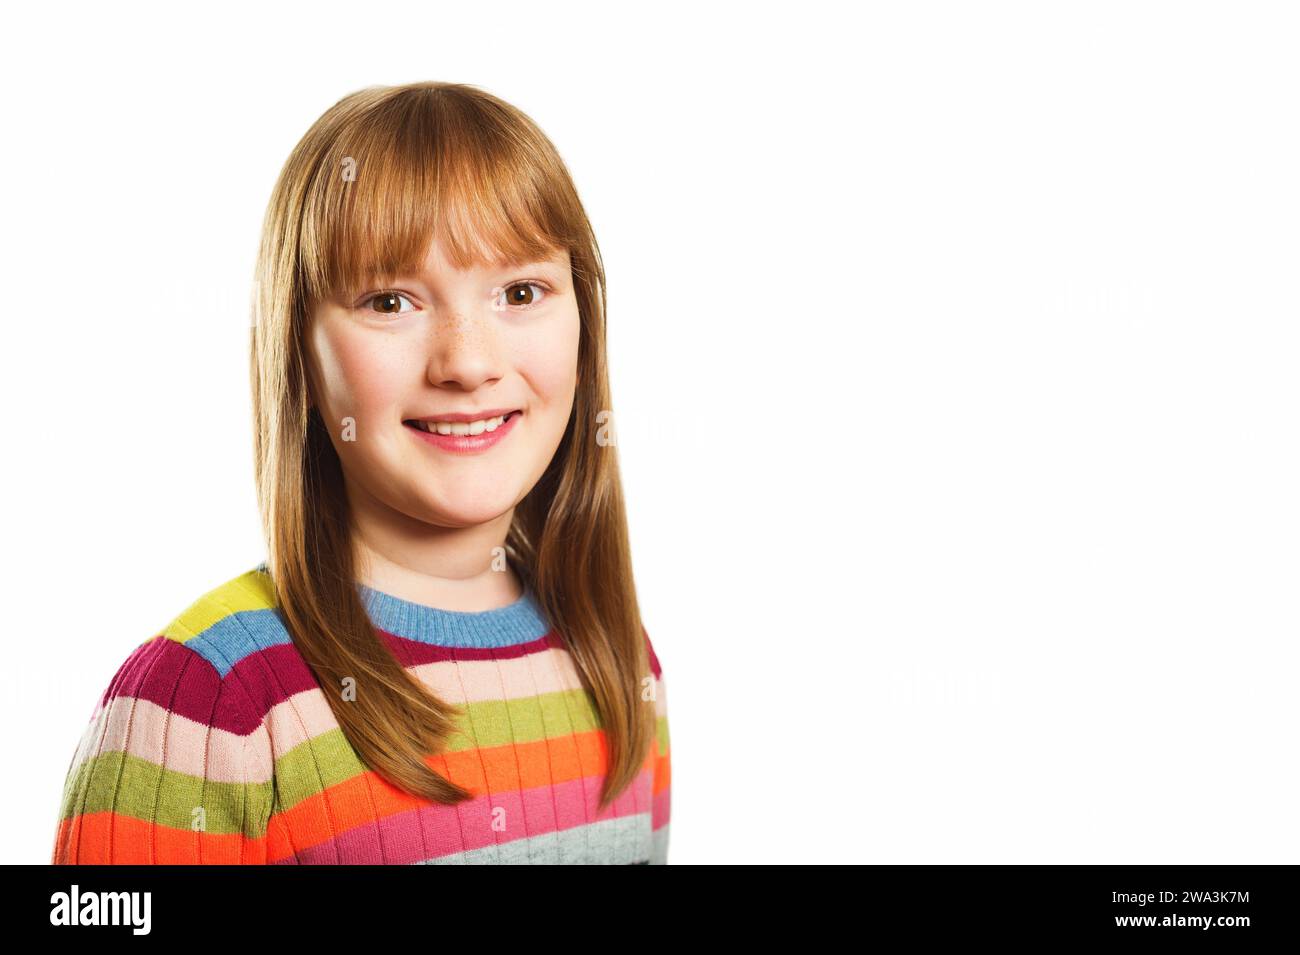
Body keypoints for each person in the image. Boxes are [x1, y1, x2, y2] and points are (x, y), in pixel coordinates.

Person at [52, 81, 671, 864]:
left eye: (521, 291)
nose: (468, 362)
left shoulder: (618, 665)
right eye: (389, 301)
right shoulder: (205, 705)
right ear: (299, 354)